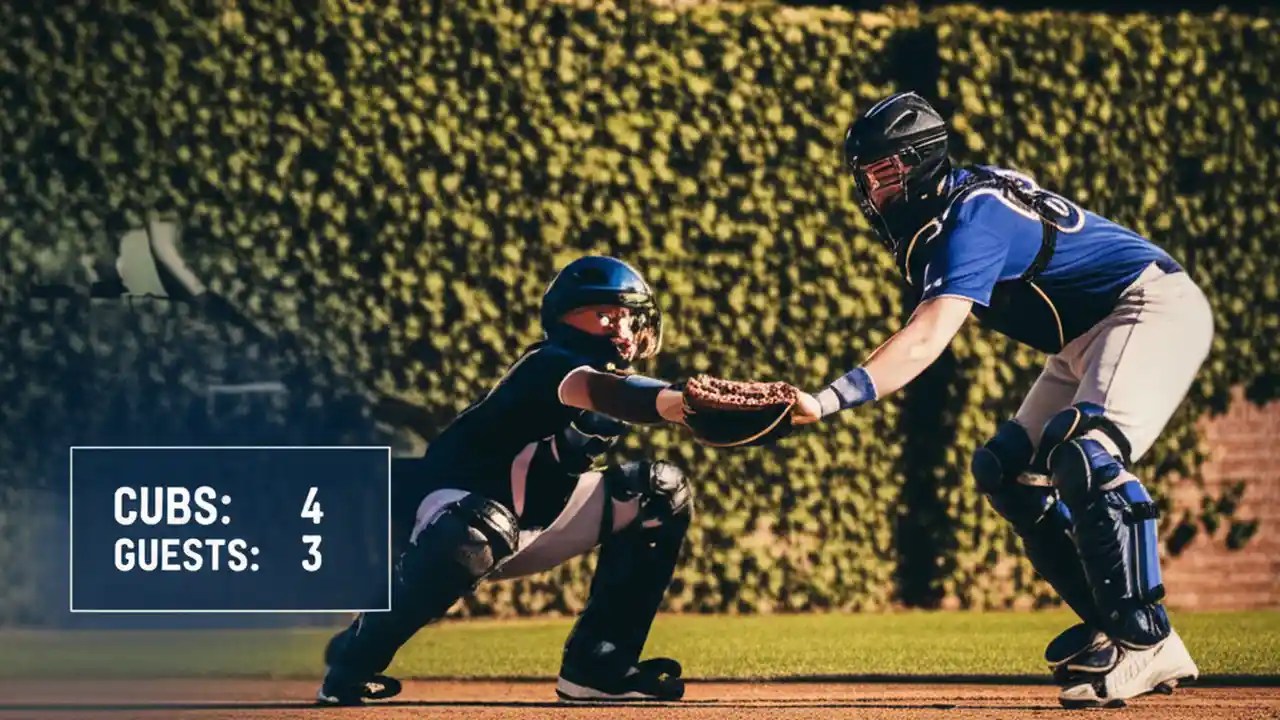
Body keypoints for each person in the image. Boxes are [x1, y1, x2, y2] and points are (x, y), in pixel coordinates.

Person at [791, 91, 1212, 708]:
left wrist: (827, 401)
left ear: (921, 161)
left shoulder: (970, 216)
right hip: (1086, 336)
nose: (873, 192)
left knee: (1087, 456)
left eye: (884, 173)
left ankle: (1147, 641)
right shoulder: (955, 207)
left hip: (1147, 308)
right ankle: (1110, 623)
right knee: (1005, 471)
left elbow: (927, 337)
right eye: (866, 177)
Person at [318, 255, 695, 705]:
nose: (623, 329)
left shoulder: (612, 381)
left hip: (531, 522)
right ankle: (353, 663)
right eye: (605, 314)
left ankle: (599, 664)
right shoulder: (551, 363)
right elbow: (618, 395)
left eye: (630, 318)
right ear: (564, 317)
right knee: (482, 525)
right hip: (446, 517)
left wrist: (785, 409)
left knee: (660, 492)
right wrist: (688, 400)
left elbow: (567, 455)